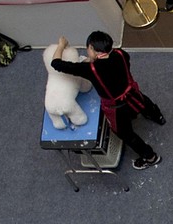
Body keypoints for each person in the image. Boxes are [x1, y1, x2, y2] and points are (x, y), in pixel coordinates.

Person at [50, 32, 164, 171]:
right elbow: (110, 65)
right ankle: (158, 117)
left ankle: (150, 157)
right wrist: (92, 60)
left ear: (91, 48)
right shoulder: (121, 54)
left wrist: (61, 45)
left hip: (117, 108)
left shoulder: (91, 70)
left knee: (125, 134)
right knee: (146, 105)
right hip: (132, 93)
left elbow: (56, 63)